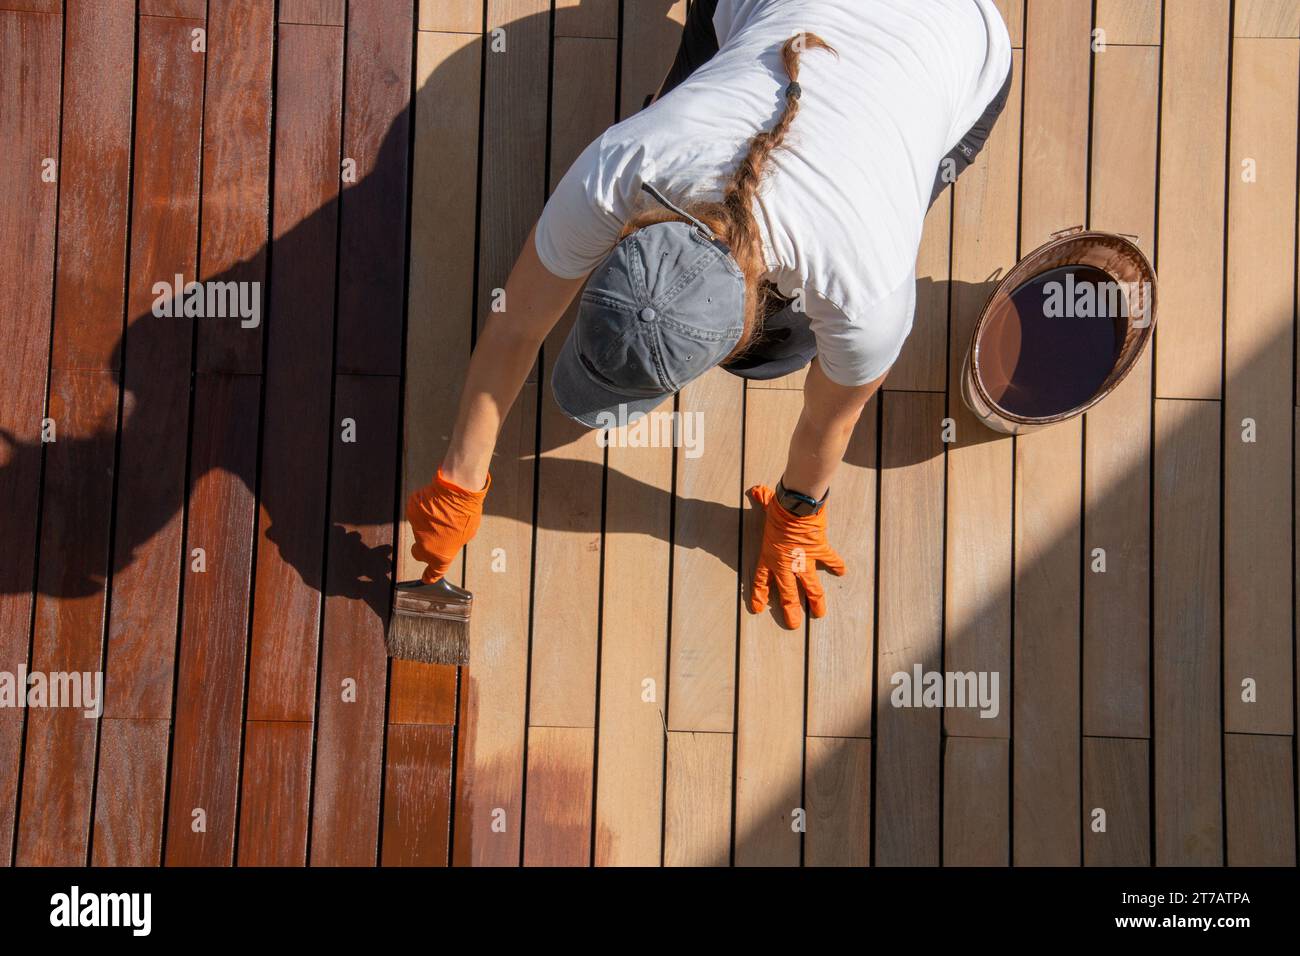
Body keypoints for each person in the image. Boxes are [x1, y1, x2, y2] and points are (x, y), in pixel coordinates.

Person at [408, 0, 1014, 628]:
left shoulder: (865, 289)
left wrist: (797, 514)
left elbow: (829, 420)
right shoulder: (625, 161)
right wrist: (458, 479)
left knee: (774, 357)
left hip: (961, 41)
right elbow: (516, 323)